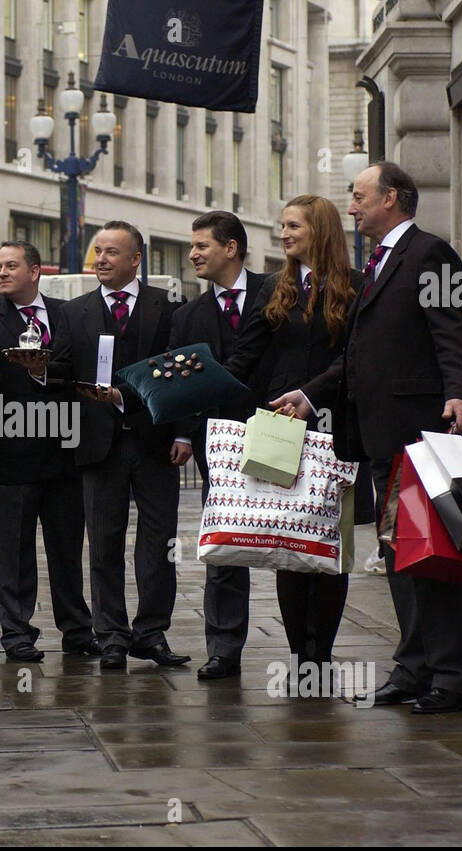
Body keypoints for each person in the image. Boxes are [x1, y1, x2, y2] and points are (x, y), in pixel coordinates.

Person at [271, 162, 462, 714]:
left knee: (433, 559)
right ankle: (414, 668)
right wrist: (310, 395)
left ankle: (453, 678)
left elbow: (453, 331)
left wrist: (461, 394)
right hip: (384, 440)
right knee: (400, 556)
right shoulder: (379, 261)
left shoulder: (431, 254)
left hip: (420, 435)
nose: (352, 206)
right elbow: (357, 356)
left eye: (360, 196)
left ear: (392, 198)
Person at [223, 195, 363, 686]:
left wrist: (311, 394)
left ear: (318, 231)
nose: (283, 234)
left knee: (329, 546)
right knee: (289, 544)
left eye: (293, 226)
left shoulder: (356, 286)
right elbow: (245, 355)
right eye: (282, 225)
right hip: (278, 428)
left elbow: (355, 359)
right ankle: (300, 655)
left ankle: (321, 654)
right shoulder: (272, 287)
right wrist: (198, 386)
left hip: (333, 427)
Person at [62, 220, 194, 671]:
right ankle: (112, 636)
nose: (100, 259)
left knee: (159, 544)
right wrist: (39, 369)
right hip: (98, 445)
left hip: (157, 441)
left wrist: (183, 433)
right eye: (98, 251)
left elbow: (182, 373)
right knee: (103, 544)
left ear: (136, 260)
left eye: (111, 252)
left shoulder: (169, 308)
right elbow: (63, 371)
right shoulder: (74, 312)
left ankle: (151, 633)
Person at [0, 241, 97, 662]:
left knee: (67, 550)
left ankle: (77, 631)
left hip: (65, 450)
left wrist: (44, 374)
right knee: (14, 552)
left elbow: (78, 370)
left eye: (11, 266)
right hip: (14, 451)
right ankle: (17, 634)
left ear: (35, 271)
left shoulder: (67, 314)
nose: (1, 273)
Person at [167, 210, 270, 681]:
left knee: (297, 537)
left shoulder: (277, 294)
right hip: (219, 446)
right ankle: (223, 650)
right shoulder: (187, 316)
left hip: (280, 436)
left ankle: (312, 653)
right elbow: (181, 380)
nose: (193, 254)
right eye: (192, 246)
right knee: (225, 546)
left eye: (201, 245)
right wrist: (183, 432)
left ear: (231, 248)